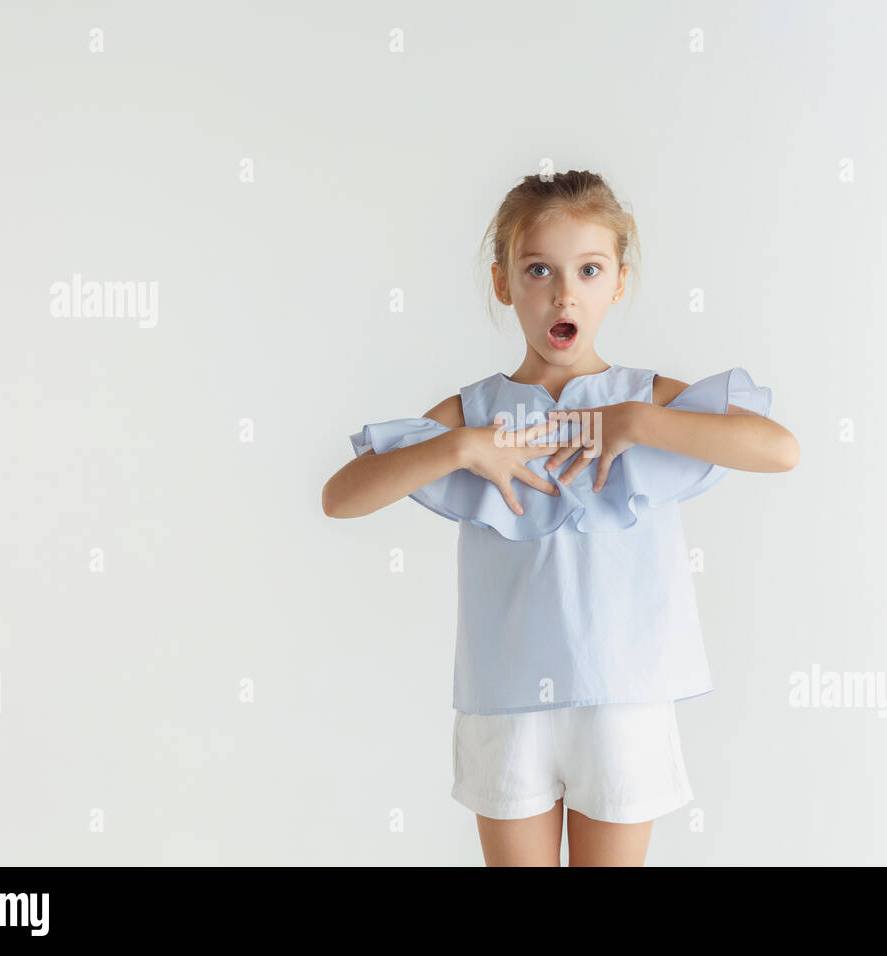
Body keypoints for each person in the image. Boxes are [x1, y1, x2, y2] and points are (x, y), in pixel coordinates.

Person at [322, 169, 799, 866]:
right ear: (503, 283)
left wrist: (637, 422)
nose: (564, 291)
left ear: (619, 282)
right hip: (507, 703)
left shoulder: (644, 399)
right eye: (539, 269)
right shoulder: (476, 411)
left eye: (589, 269)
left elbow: (779, 449)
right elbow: (343, 497)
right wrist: (460, 448)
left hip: (622, 695)